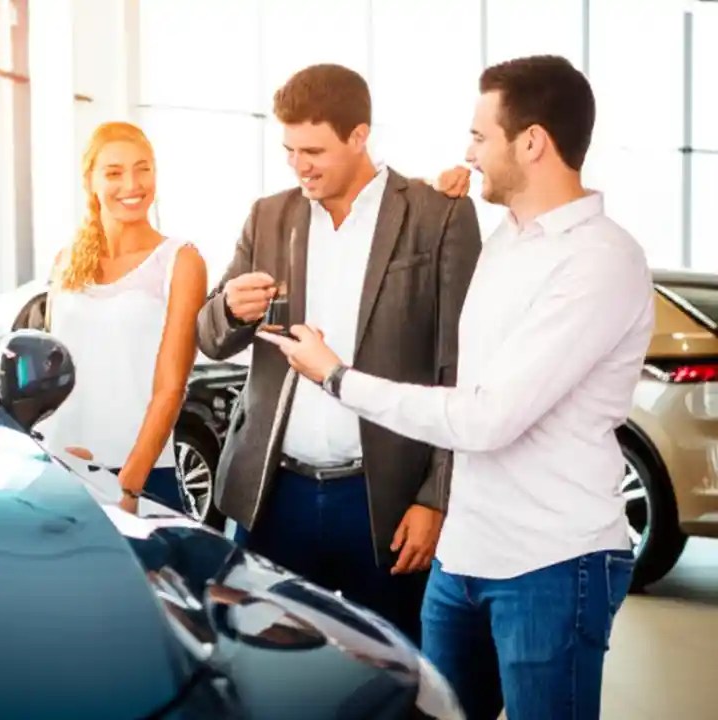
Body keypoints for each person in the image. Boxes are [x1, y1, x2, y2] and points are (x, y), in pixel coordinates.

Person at [258, 55, 653, 720]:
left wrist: (337, 376)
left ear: (531, 142)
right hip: (465, 559)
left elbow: (484, 419)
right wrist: (446, 203)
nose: (466, 153)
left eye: (478, 137)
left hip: (553, 564)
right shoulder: (507, 238)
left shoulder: (601, 259)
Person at [195, 63, 482, 645]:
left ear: (359, 135)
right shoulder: (267, 215)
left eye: (313, 149)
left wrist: (436, 498)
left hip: (383, 501)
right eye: (289, 149)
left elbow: (462, 367)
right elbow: (211, 336)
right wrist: (230, 306)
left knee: (398, 677)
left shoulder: (439, 214)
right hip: (274, 497)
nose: (299, 165)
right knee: (261, 672)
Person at [36, 121, 207, 515]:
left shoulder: (180, 260)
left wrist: (128, 486)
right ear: (90, 182)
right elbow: (55, 377)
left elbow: (171, 387)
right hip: (60, 471)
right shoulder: (65, 263)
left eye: (142, 168)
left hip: (140, 478)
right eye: (114, 173)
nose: (131, 184)